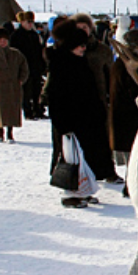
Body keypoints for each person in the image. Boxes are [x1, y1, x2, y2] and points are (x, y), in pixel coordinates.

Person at [46, 18, 119, 205]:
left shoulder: (78, 61)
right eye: (79, 45)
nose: (83, 48)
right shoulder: (61, 64)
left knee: (84, 158)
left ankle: (83, 191)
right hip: (71, 121)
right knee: (72, 160)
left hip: (86, 119)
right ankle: (71, 194)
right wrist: (63, 124)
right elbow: (55, 97)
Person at [109, 29, 138, 171]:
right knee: (135, 153)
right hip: (131, 116)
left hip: (125, 115)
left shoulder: (122, 63)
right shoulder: (132, 65)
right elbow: (136, 92)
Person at [10, 11, 47, 120]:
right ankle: (28, 111)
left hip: (35, 67)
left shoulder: (34, 35)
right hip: (23, 67)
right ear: (22, 22)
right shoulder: (16, 36)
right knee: (26, 91)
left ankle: (38, 110)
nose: (30, 24)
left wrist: (42, 65)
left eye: (32, 22)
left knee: (37, 90)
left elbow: (39, 51)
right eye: (28, 22)